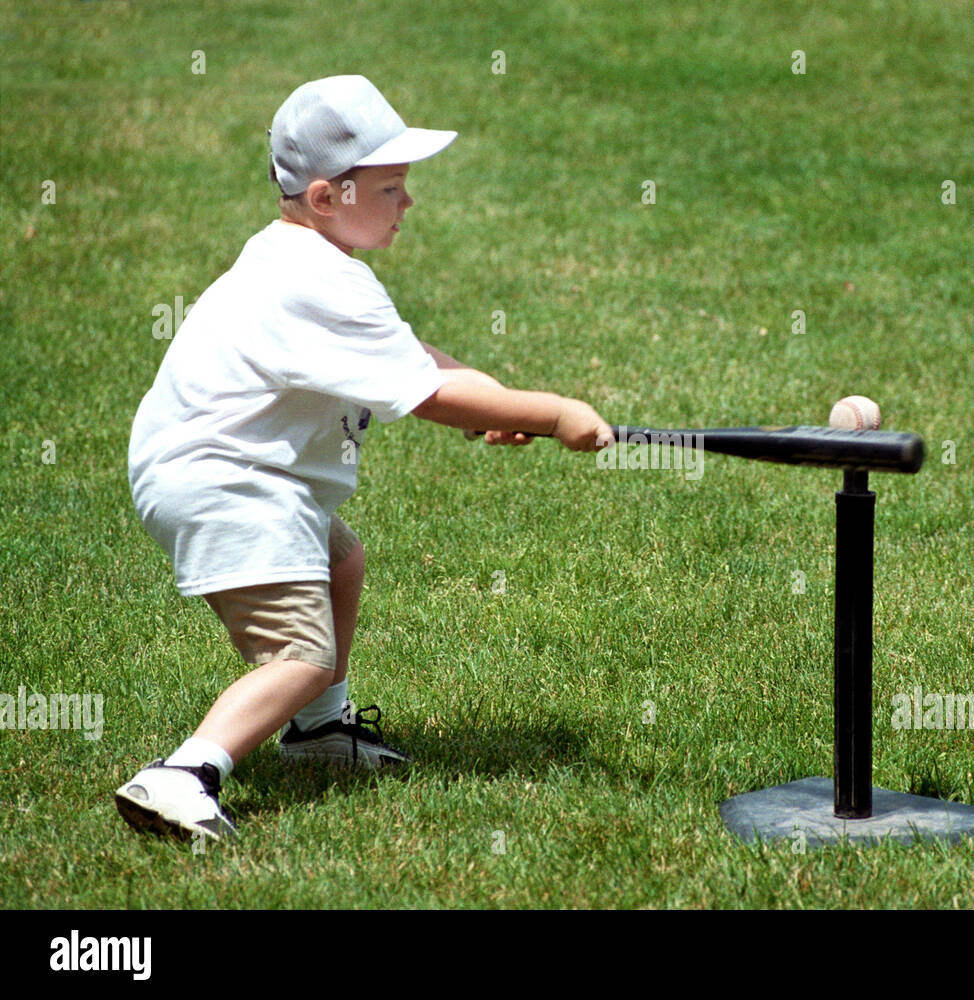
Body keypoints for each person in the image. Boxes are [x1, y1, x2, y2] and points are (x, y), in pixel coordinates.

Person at [117, 75, 612, 842]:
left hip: (228, 472)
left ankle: (318, 734)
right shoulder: (319, 280)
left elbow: (411, 361)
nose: (407, 203)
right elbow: (428, 395)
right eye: (390, 188)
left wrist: (498, 400)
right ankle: (184, 773)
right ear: (327, 197)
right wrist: (551, 414)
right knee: (300, 651)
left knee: (339, 561)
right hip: (226, 481)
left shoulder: (298, 259)